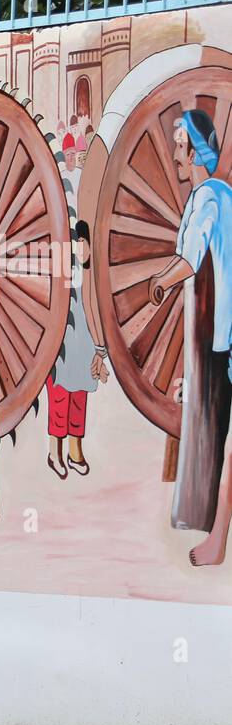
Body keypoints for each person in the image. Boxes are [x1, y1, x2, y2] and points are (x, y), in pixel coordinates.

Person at [146, 110, 232, 566]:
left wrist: (160, 280)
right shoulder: (217, 195)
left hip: (222, 336)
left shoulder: (208, 200)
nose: (175, 153)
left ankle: (211, 531)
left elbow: (191, 258)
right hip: (217, 334)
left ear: (195, 152)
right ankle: (207, 524)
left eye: (180, 145)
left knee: (218, 435)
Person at [45, 221, 110, 478]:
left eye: (84, 244)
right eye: (77, 243)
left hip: (84, 344)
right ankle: (54, 452)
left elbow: (97, 311)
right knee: (59, 398)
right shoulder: (61, 273)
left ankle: (75, 450)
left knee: (79, 399)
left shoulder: (92, 279)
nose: (81, 249)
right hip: (61, 346)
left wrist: (99, 350)